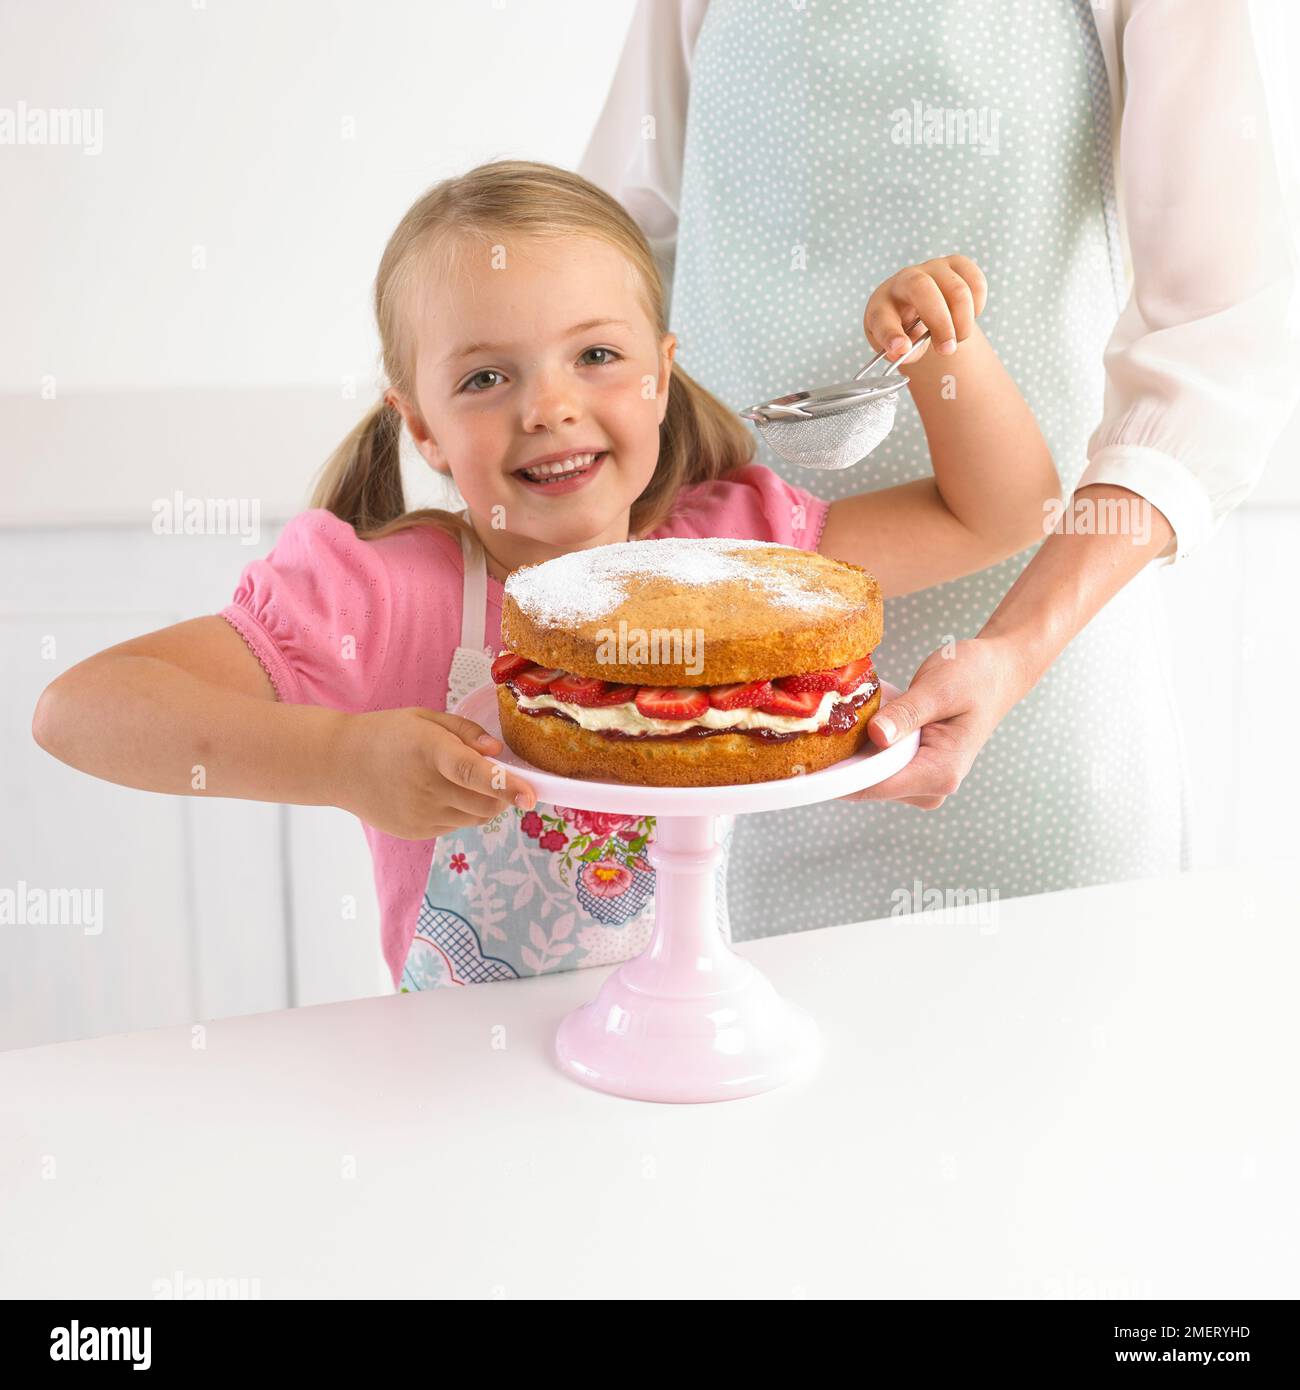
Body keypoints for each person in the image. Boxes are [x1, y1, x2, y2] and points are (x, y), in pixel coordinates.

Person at [32, 161, 1055, 991]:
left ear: (660, 376)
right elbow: (80, 709)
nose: (548, 406)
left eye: (597, 356)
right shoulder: (386, 594)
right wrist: (340, 758)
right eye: (486, 377)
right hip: (460, 1092)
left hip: (681, 1041)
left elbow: (999, 511)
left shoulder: (738, 560)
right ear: (422, 427)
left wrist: (941, 354)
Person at [579, 0, 1300, 938]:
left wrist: (1011, 653)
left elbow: (1216, 348)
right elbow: (620, 250)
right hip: (717, 701)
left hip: (1040, 692)